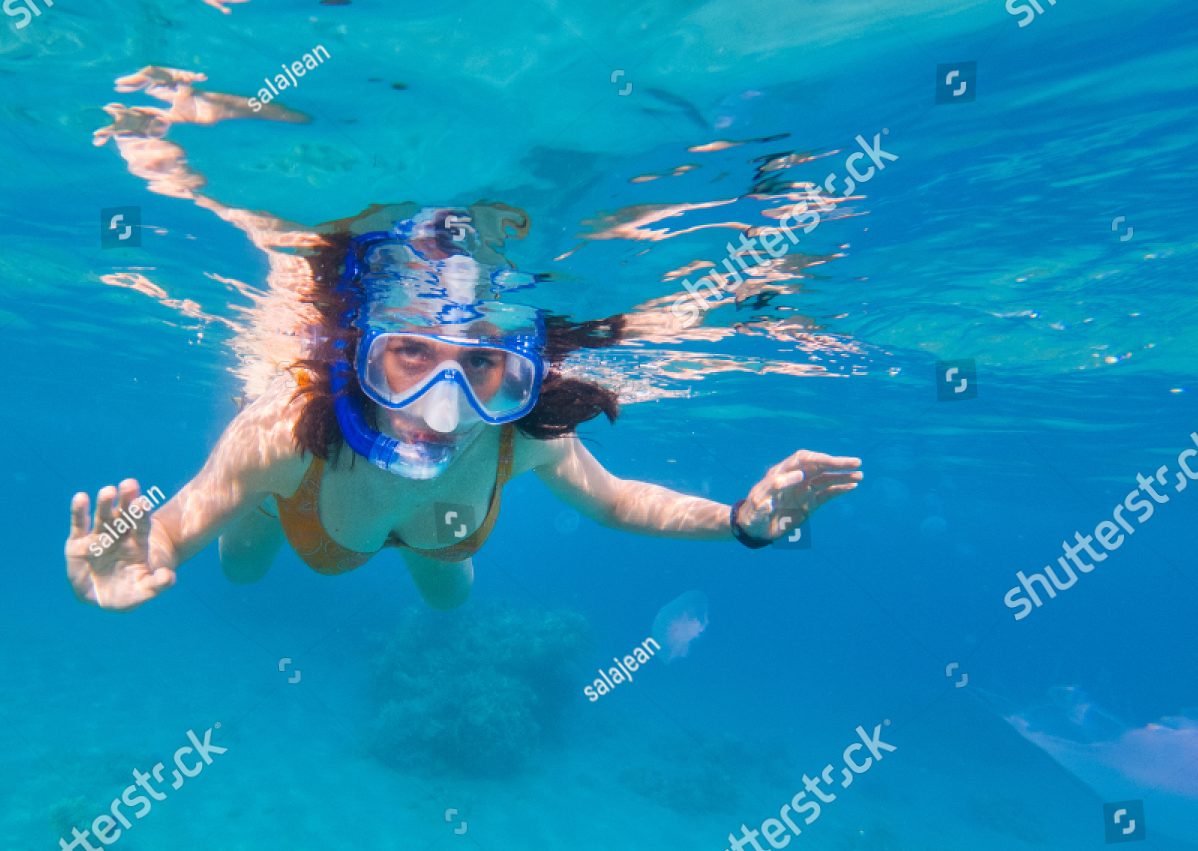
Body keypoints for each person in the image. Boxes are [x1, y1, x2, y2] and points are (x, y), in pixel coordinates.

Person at [65, 206, 861, 612]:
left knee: (452, 598)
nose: (442, 410)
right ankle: (269, 518)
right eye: (410, 354)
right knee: (241, 569)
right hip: (301, 511)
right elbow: (176, 520)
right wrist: (139, 543)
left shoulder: (522, 440)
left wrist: (742, 522)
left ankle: (423, 545)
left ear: (523, 373)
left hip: (442, 530)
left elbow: (617, 501)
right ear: (360, 356)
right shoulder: (284, 432)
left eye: (483, 365)